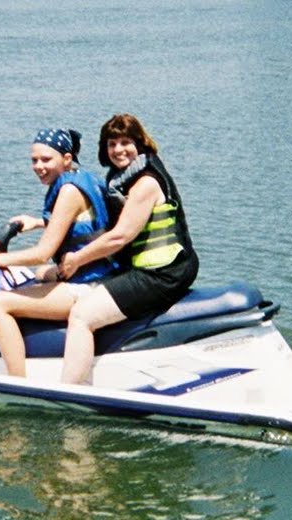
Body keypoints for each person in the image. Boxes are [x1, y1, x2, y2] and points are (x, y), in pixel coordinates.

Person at [54, 114, 199, 384]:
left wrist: (76, 259)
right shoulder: (124, 178)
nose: (118, 150)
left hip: (162, 274)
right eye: (112, 144)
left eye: (125, 142)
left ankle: (70, 388)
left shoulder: (145, 183)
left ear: (140, 143)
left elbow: (119, 237)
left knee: (82, 314)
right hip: (159, 269)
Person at [0, 128, 115, 377]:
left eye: (46, 159)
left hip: (88, 285)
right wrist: (38, 222)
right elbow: (83, 223)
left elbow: (42, 251)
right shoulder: (82, 178)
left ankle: (17, 382)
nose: (38, 166)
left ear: (66, 159)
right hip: (99, 272)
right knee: (39, 274)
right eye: (34, 160)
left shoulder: (69, 192)